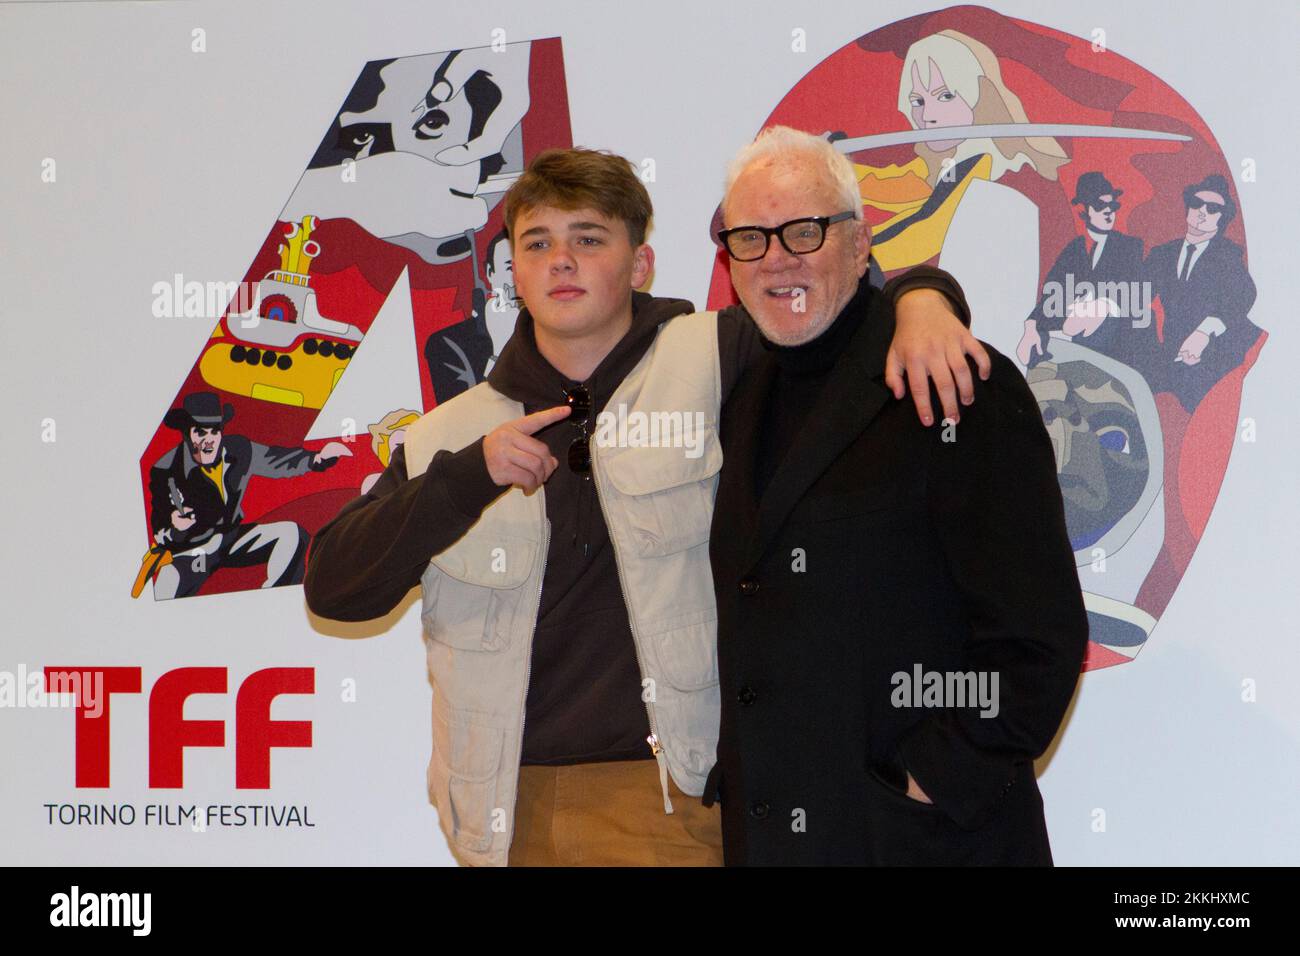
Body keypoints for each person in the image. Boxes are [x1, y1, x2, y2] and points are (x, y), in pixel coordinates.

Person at [303, 146, 984, 866]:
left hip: (673, 799)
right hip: (501, 820)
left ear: (640, 265)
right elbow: (336, 591)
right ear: (512, 272)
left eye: (588, 239)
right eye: (537, 243)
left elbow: (831, 309)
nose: (560, 261)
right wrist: (468, 476)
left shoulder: (720, 357)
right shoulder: (449, 434)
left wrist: (926, 299)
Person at [703, 126, 1088, 865]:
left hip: (919, 841)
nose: (775, 257)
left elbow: (1038, 637)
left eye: (804, 231)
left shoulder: (952, 380)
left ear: (859, 242)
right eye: (750, 237)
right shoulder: (743, 388)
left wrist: (928, 778)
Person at [1137, 174, 1260, 410]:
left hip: (1209, 356)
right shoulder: (1163, 254)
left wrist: (1205, 331)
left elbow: (1244, 295)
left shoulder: (1228, 255)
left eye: (1212, 208)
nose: (1202, 211)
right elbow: (1137, 291)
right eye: (1196, 203)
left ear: (1222, 218)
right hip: (1167, 353)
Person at [1018, 171, 1146, 366]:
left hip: (1115, 342)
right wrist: (1030, 325)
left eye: (1112, 205)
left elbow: (1132, 293)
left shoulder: (1129, 246)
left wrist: (1100, 305)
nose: (1108, 211)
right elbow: (1052, 294)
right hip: (1072, 333)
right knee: (1033, 350)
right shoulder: (1074, 248)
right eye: (1100, 205)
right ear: (1085, 209)